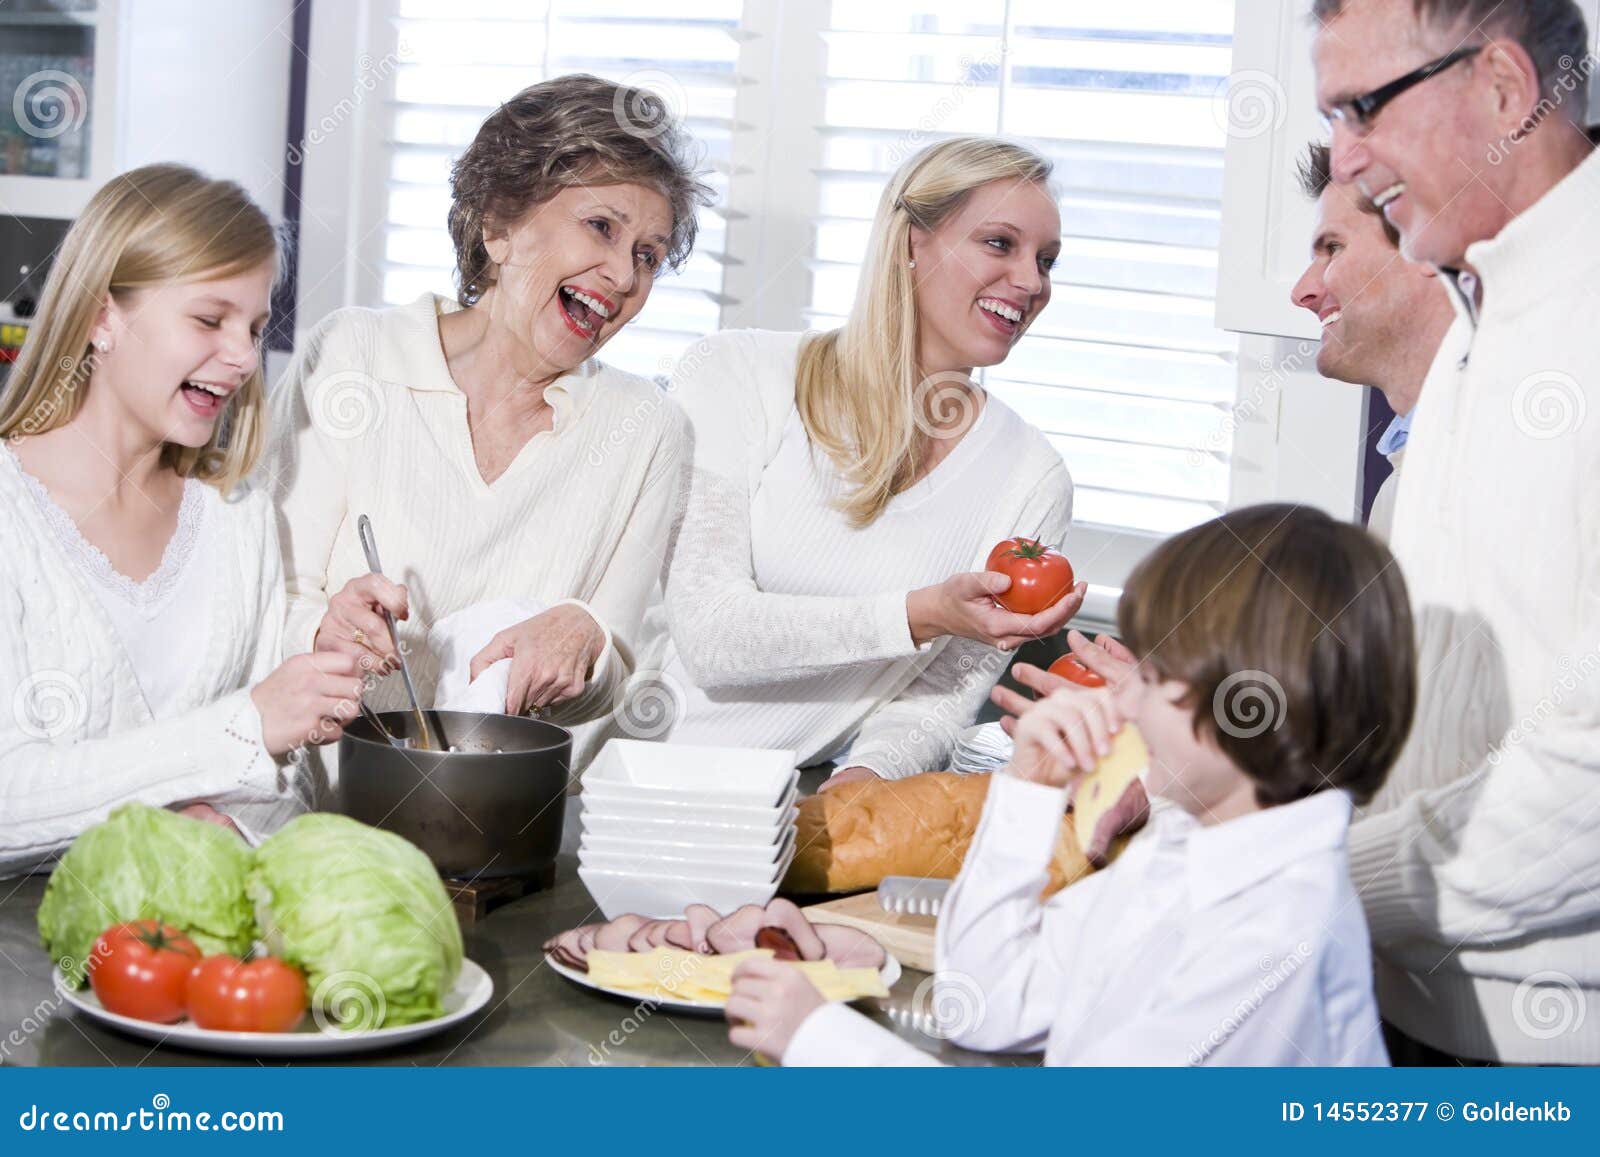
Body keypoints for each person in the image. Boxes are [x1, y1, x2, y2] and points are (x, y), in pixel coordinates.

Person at [728, 504, 1414, 1065]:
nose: (1124, 700)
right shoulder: (1179, 848)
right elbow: (990, 1005)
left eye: (1150, 673)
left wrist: (820, 1038)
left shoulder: (1275, 929)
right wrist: (1026, 791)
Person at [578, 137, 1082, 785]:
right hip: (612, 783)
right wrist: (918, 612)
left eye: (1046, 260)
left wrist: (861, 785)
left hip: (789, 806)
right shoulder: (737, 373)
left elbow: (937, 697)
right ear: (910, 242)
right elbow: (710, 635)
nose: (1031, 281)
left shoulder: (1032, 476)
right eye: (999, 244)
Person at [263, 74, 710, 783]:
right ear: (500, 224)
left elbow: (612, 676)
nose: (624, 275)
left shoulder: (647, 428)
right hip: (316, 811)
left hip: (501, 829)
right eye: (601, 226)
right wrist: (321, 631)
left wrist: (585, 637)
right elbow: (260, 606)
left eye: (649, 255)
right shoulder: (353, 357)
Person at [1313, 0, 1600, 1064]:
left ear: (1503, 91)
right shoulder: (1482, 323)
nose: (1346, 154)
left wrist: (1314, 873)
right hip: (1394, 1000)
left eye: (1364, 107)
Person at [0, 164, 362, 875]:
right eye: (209, 318)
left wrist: (216, 816)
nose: (242, 358)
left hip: (194, 953)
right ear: (104, 317)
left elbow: (287, 788)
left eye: (256, 326)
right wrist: (238, 732)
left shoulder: (235, 515)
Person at [1289, 142, 1454, 538]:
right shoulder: (1405, 477)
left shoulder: (1512, 462)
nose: (1301, 292)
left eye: (1333, 247)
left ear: (1427, 246)